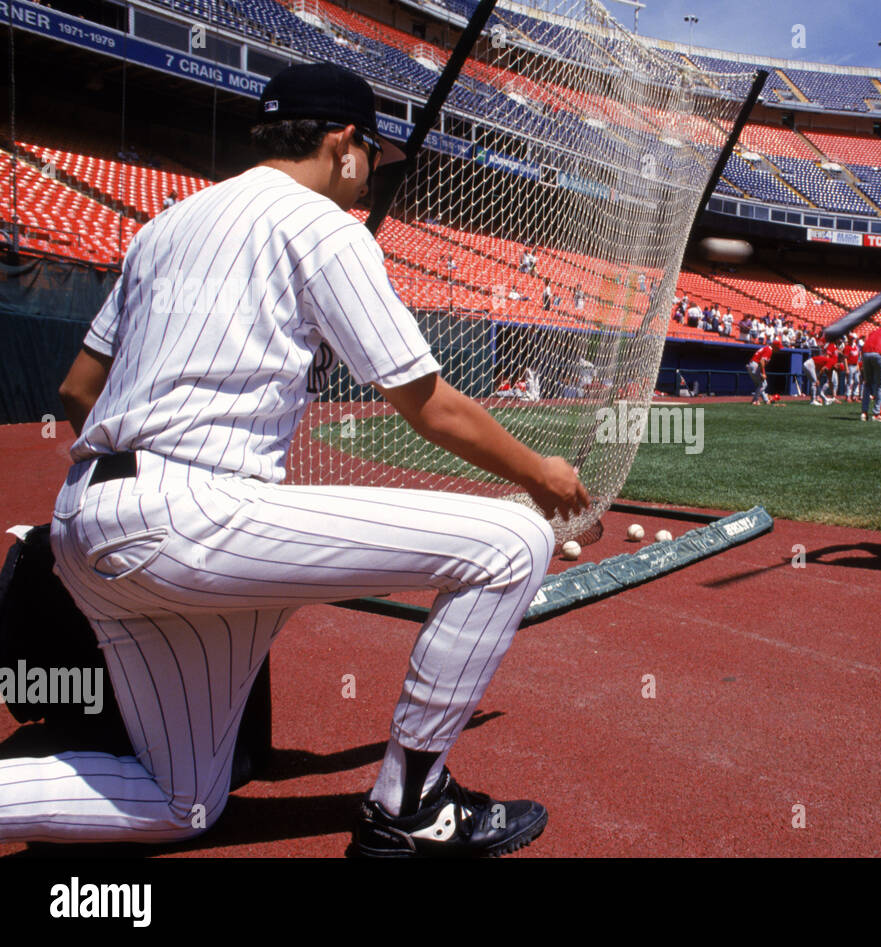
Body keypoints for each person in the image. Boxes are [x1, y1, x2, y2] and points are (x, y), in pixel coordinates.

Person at [6, 63, 590, 855]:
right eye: (372, 160)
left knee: (183, 803)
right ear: (344, 143)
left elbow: (80, 389)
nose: (367, 182)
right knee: (510, 541)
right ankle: (409, 807)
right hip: (191, 516)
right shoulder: (320, 223)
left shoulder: (164, 225)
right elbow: (429, 405)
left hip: (86, 522)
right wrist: (538, 473)